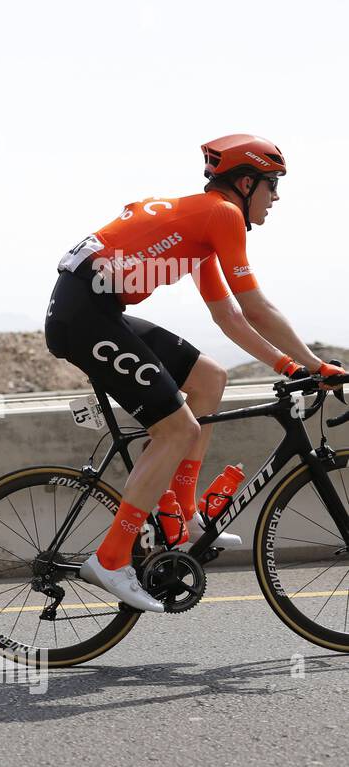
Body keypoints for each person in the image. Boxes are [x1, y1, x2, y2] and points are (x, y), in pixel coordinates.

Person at [46, 135, 345, 612]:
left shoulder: (205, 224)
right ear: (246, 183)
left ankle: (184, 519)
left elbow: (228, 317)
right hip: (84, 317)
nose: (276, 198)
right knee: (175, 430)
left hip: (93, 308)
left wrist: (288, 365)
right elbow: (257, 308)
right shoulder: (223, 216)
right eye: (272, 186)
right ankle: (111, 557)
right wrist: (313, 364)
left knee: (209, 379)